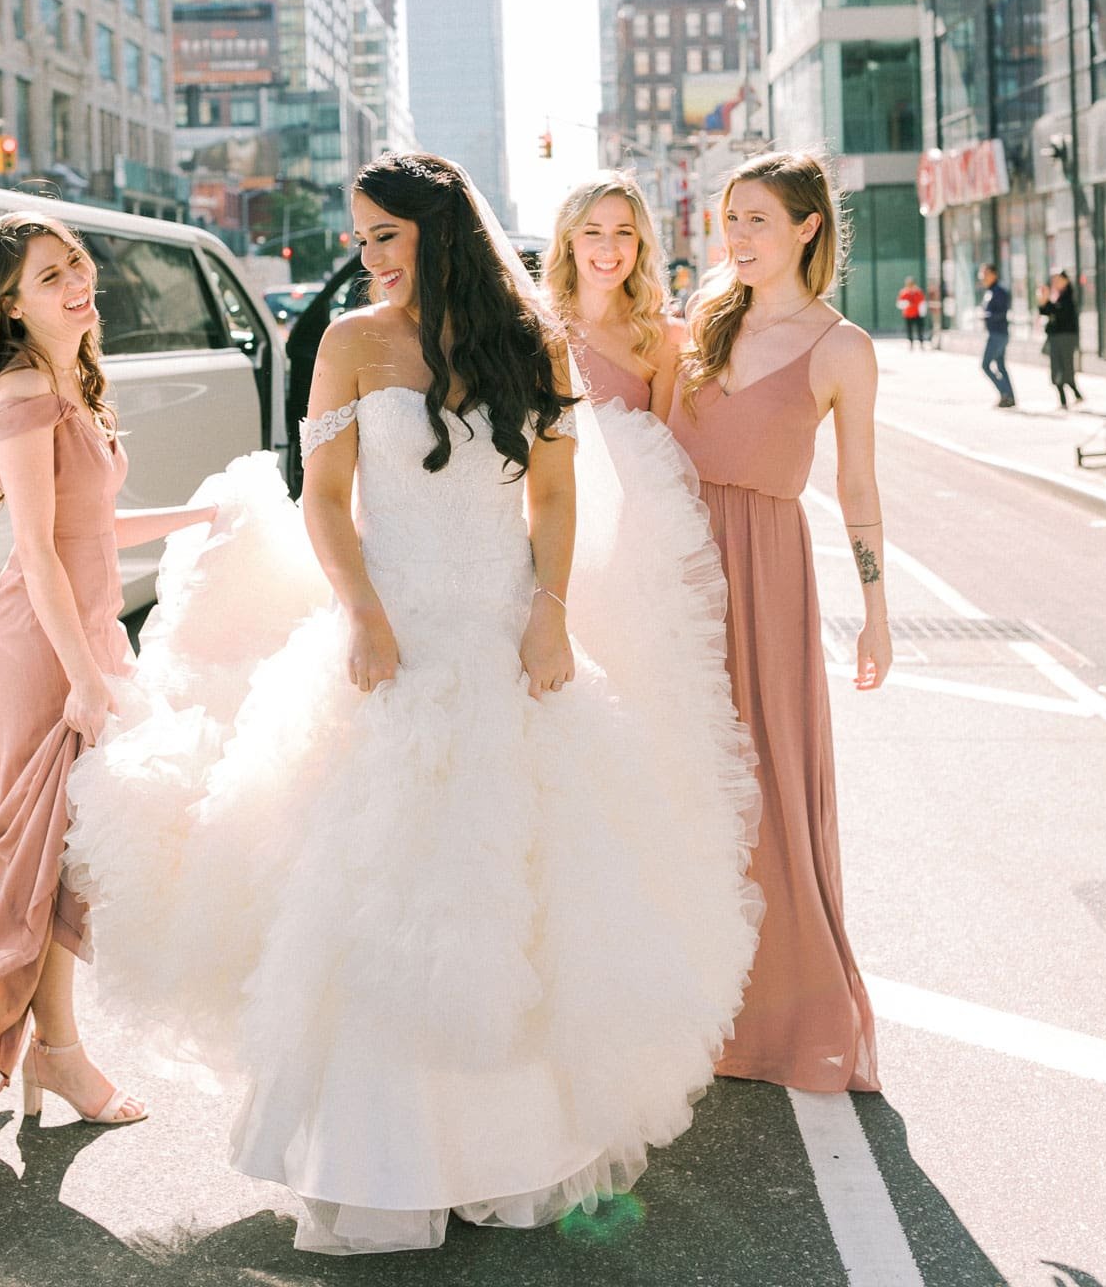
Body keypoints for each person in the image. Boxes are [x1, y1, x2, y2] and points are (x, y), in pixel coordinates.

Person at [64, 152, 760, 1256]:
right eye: (364, 235)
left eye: (386, 234)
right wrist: (365, 614)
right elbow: (327, 499)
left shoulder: (528, 341)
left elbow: (559, 489)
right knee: (376, 888)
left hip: (500, 630)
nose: (369, 254)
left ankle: (511, 1151)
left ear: (442, 234)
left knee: (527, 887)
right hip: (393, 637)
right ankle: (381, 1160)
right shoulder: (347, 341)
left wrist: (550, 608)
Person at [0, 213, 212, 1124]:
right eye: (50, 277)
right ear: (9, 305)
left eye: (76, 265)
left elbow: (93, 531)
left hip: (84, 632)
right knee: (50, 851)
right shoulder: (21, 392)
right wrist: (84, 674)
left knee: (67, 852)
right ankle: (58, 1054)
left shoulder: (69, 382)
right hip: (46, 643)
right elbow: (38, 551)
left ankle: (55, 1052)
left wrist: (202, 519)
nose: (77, 283)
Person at [669, 150, 887, 1095]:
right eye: (731, 218)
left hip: (765, 572)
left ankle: (784, 1014)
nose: (739, 236)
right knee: (674, 780)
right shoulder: (700, 322)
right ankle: (680, 1004)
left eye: (759, 218)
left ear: (807, 227)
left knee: (768, 782)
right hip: (672, 569)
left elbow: (858, 489)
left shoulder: (842, 347)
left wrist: (877, 614)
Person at [544, 171, 684, 417]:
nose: (608, 247)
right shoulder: (536, 326)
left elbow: (664, 450)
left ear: (640, 243)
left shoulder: (663, 337)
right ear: (569, 241)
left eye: (624, 232)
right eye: (592, 232)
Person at [1039, 271, 1084, 407]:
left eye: (1058, 280)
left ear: (1065, 280)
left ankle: (1069, 397)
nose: (1056, 283)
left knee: (1065, 367)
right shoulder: (1059, 295)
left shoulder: (1069, 296)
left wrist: (1047, 301)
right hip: (1057, 337)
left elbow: (1059, 313)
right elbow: (1046, 311)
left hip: (1065, 337)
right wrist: (1044, 300)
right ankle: (1068, 398)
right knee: (1058, 367)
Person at [979, 262, 1015, 407]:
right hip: (996, 333)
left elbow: (1001, 312)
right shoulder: (990, 291)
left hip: (998, 334)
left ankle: (1005, 393)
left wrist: (987, 316)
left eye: (985, 274)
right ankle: (1009, 397)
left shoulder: (999, 291)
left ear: (994, 274)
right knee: (1000, 366)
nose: (983, 277)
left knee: (985, 365)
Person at [896, 276, 927, 348]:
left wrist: (922, 313)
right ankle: (911, 343)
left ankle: (921, 343)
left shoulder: (918, 292)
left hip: (917, 314)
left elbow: (922, 302)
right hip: (908, 314)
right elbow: (899, 303)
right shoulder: (904, 292)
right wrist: (905, 303)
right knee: (909, 330)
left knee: (919, 329)